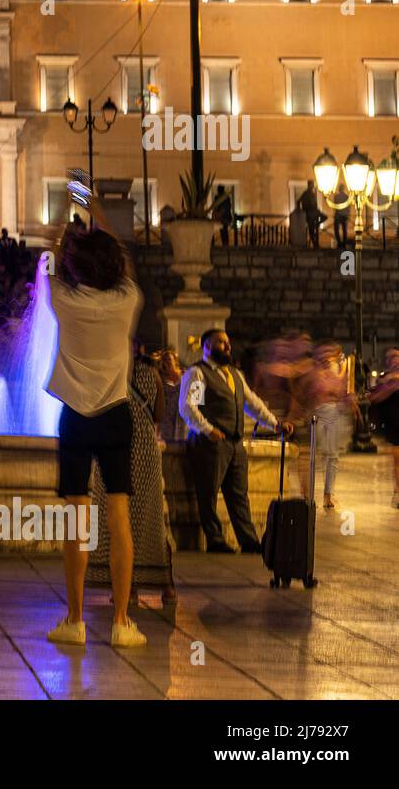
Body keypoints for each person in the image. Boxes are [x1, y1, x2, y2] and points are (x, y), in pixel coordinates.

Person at [44, 198, 146, 649]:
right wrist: (96, 206)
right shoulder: (128, 301)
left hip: (76, 417)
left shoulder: (64, 300)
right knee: (118, 514)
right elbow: (123, 255)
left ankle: (75, 618)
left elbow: (49, 255)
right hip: (116, 415)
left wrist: (66, 222)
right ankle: (122, 621)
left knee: (75, 518)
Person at [179, 329, 293, 554]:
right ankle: (215, 540)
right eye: (220, 343)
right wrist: (208, 430)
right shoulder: (197, 374)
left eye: (228, 342)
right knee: (208, 494)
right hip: (210, 444)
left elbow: (252, 403)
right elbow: (188, 406)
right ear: (207, 347)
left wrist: (274, 424)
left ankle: (248, 540)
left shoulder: (235, 374)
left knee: (238, 494)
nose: (227, 347)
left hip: (234, 444)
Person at [88, 343, 176, 603]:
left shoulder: (109, 372)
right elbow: (159, 414)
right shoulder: (153, 375)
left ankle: (127, 590)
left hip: (115, 449)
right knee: (152, 519)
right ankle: (167, 588)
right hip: (146, 453)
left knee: (116, 518)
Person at [304, 341, 356, 509]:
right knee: (316, 455)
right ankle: (309, 495)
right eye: (323, 353)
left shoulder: (339, 370)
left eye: (330, 354)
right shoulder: (313, 371)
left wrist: (351, 401)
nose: (327, 357)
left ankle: (328, 495)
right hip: (317, 414)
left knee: (332, 456)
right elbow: (311, 393)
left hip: (334, 413)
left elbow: (343, 392)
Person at [366, 347, 399, 509]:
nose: (394, 360)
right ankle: (397, 492)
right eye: (391, 357)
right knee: (397, 461)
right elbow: (373, 398)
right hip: (393, 425)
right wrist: (388, 387)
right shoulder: (384, 378)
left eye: (396, 357)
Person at [299, 182, 324, 248]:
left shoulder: (312, 193)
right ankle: (315, 244)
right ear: (309, 185)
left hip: (314, 213)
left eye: (313, 185)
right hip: (309, 213)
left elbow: (314, 203)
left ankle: (315, 243)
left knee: (323, 218)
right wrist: (300, 211)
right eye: (311, 185)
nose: (312, 187)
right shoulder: (306, 193)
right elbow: (299, 201)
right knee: (311, 230)